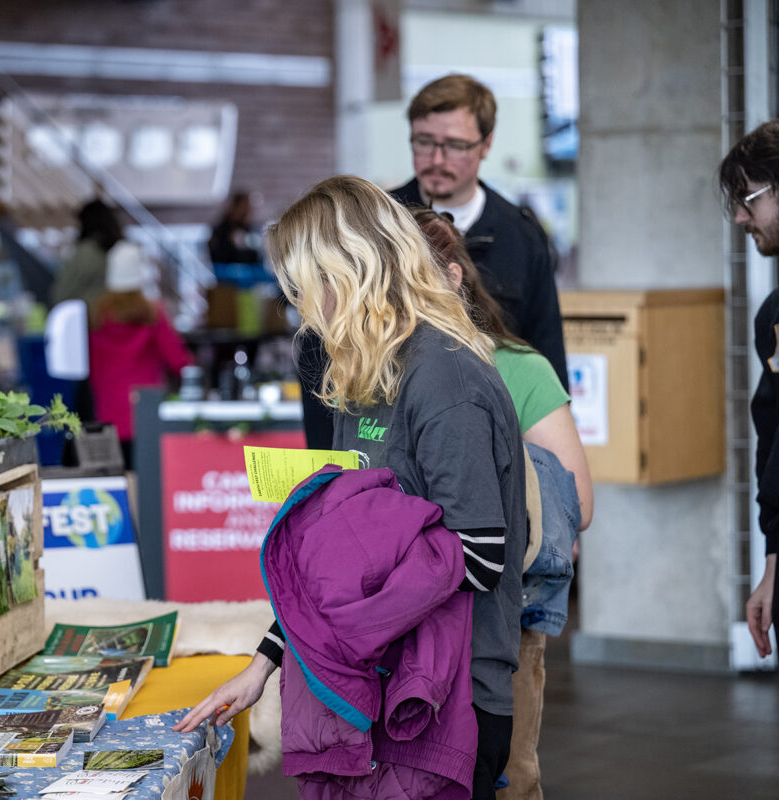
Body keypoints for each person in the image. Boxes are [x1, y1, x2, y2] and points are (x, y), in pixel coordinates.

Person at [177, 176, 527, 800]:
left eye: (305, 288)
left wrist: (345, 596)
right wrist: (261, 666)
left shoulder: (444, 378)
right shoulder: (365, 372)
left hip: (450, 697)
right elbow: (340, 560)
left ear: (350, 273)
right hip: (374, 679)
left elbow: (480, 552)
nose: (302, 310)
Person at [415, 207, 593, 800]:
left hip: (505, 622)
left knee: (511, 779)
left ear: (451, 277)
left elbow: (577, 504)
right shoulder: (385, 372)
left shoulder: (517, 368)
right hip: (410, 622)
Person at [299, 74, 568, 450]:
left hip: (491, 443)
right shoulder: (371, 225)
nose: (437, 159)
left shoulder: (522, 238)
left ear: (486, 144)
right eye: (424, 142)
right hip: (386, 444)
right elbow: (322, 338)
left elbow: (546, 354)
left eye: (455, 145)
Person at [719, 120, 779, 667]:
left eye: (749, 198)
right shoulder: (774, 316)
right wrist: (773, 565)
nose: (740, 216)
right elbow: (774, 443)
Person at [88, 241, 193, 469]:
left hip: (108, 418)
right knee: (148, 488)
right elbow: (179, 361)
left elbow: (92, 372)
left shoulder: (96, 317)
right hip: (147, 415)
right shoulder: (153, 315)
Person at [51, 198, 123, 316]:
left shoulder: (86, 252)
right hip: (113, 319)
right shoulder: (118, 251)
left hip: (89, 321)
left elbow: (61, 294)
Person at [208, 190, 262, 264]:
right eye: (245, 206)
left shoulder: (250, 230)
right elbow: (215, 255)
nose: (248, 210)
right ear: (235, 206)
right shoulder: (220, 230)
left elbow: (256, 257)